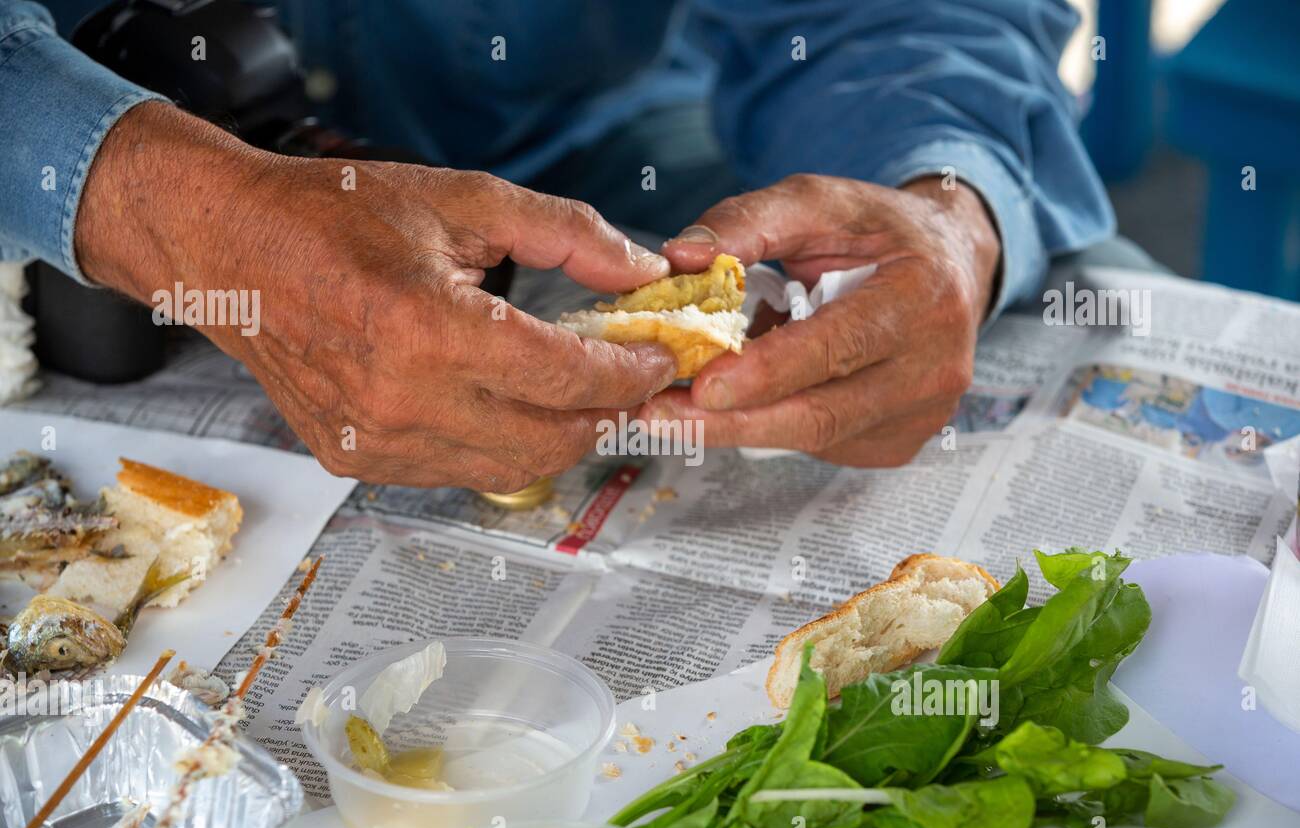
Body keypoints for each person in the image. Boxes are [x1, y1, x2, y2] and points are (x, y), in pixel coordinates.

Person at [0, 0, 1114, 487]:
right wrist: (161, 205)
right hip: (60, 210)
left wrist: (945, 210)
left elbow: (901, 16)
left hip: (595, 148)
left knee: (1088, 309)